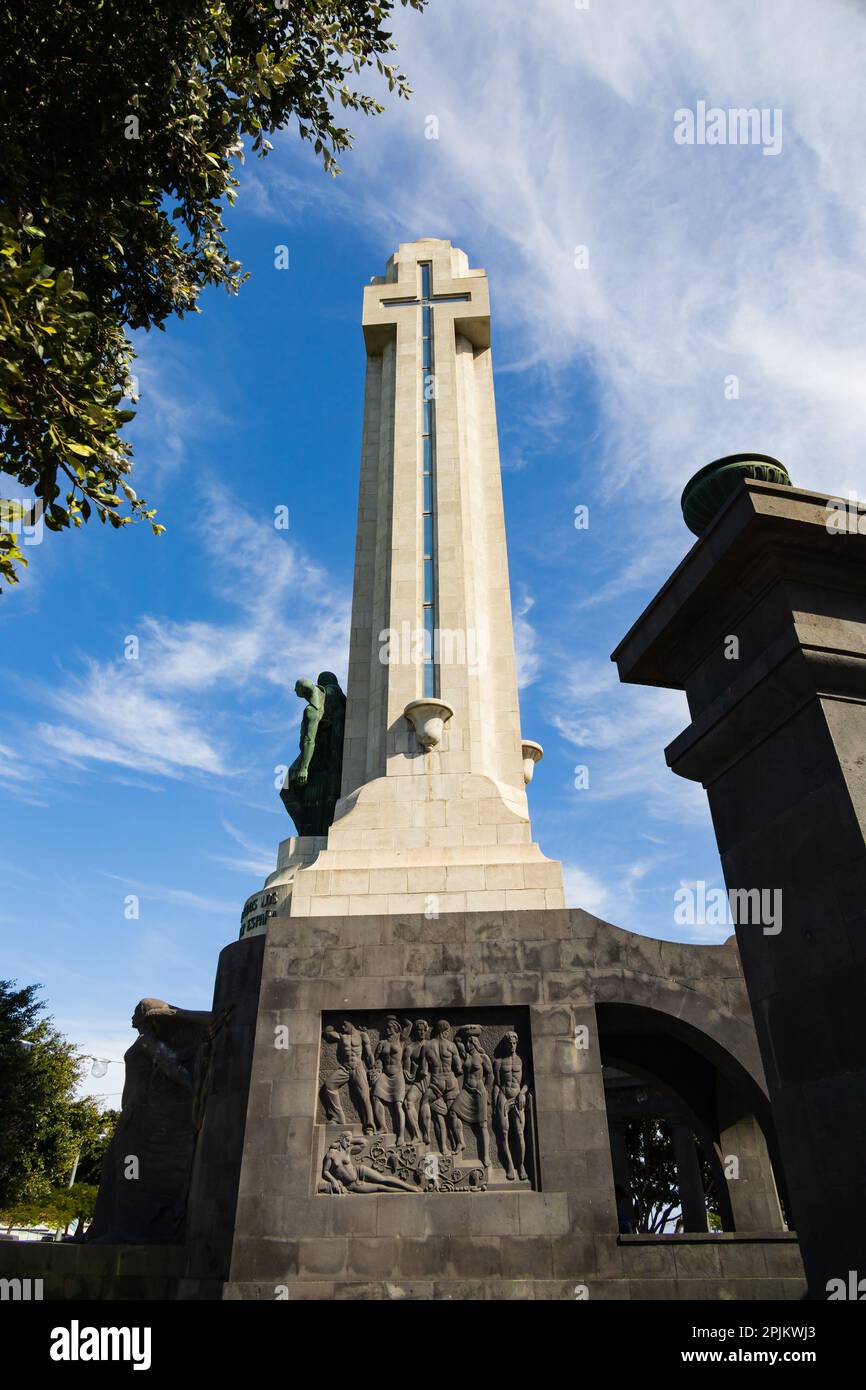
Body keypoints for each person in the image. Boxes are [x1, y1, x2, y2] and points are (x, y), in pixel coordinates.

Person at [320, 1130, 420, 1194]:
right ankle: (404, 1191)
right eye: (346, 1140)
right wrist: (333, 1181)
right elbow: (325, 1171)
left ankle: (409, 1187)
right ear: (341, 1139)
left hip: (358, 1171)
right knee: (380, 1188)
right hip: (351, 1184)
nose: (348, 1143)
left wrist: (351, 1140)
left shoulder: (348, 1149)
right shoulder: (331, 1154)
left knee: (383, 1179)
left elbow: (364, 1143)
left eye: (349, 1141)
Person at [320, 1019, 376, 1132]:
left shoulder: (362, 1035)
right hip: (345, 1068)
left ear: (351, 1023)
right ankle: (338, 1118)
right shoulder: (341, 1036)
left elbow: (369, 1054)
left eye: (344, 1023)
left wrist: (373, 1067)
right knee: (329, 1085)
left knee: (364, 1095)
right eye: (341, 1024)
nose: (342, 1026)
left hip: (358, 1068)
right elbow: (327, 1033)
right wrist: (329, 1027)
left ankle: (369, 1126)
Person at [451, 1025, 493, 1174]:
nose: (467, 1045)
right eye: (466, 1042)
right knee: (453, 1112)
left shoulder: (483, 1057)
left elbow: (490, 1074)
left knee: (482, 1125)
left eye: (470, 1042)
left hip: (478, 1093)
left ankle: (486, 1156)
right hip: (466, 1091)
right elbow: (457, 1042)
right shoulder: (466, 1057)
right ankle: (461, 1142)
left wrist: (486, 1091)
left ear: (474, 1043)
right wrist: (460, 1038)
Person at [492, 1030, 528, 1181]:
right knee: (504, 1133)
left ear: (516, 1043)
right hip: (503, 1096)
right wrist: (495, 1105)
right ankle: (509, 1165)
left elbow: (527, 1082)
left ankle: (521, 1165)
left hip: (517, 1097)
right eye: (509, 1043)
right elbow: (497, 1084)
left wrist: (522, 1093)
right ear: (506, 1044)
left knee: (520, 1133)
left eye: (514, 1043)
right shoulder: (499, 1062)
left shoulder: (521, 1060)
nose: (512, 1045)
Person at [370, 1015, 407, 1140]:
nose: (387, 1029)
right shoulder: (382, 1043)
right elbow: (375, 1059)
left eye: (390, 1027)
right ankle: (382, 1127)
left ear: (396, 1028)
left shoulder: (401, 1040)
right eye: (386, 1027)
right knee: (375, 1097)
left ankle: (401, 1136)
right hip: (385, 1075)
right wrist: (376, 1068)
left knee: (398, 1105)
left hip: (397, 1076)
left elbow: (409, 1025)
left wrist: (396, 1015)